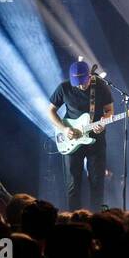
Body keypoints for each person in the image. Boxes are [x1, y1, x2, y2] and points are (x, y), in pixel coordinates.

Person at [47, 60, 114, 210]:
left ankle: (96, 220)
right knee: (73, 184)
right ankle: (74, 221)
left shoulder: (101, 87)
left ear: (90, 76)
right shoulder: (64, 87)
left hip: (96, 140)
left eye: (82, 82)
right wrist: (64, 129)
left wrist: (103, 122)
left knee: (97, 183)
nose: (79, 86)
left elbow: (109, 110)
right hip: (72, 140)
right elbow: (50, 111)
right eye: (76, 83)